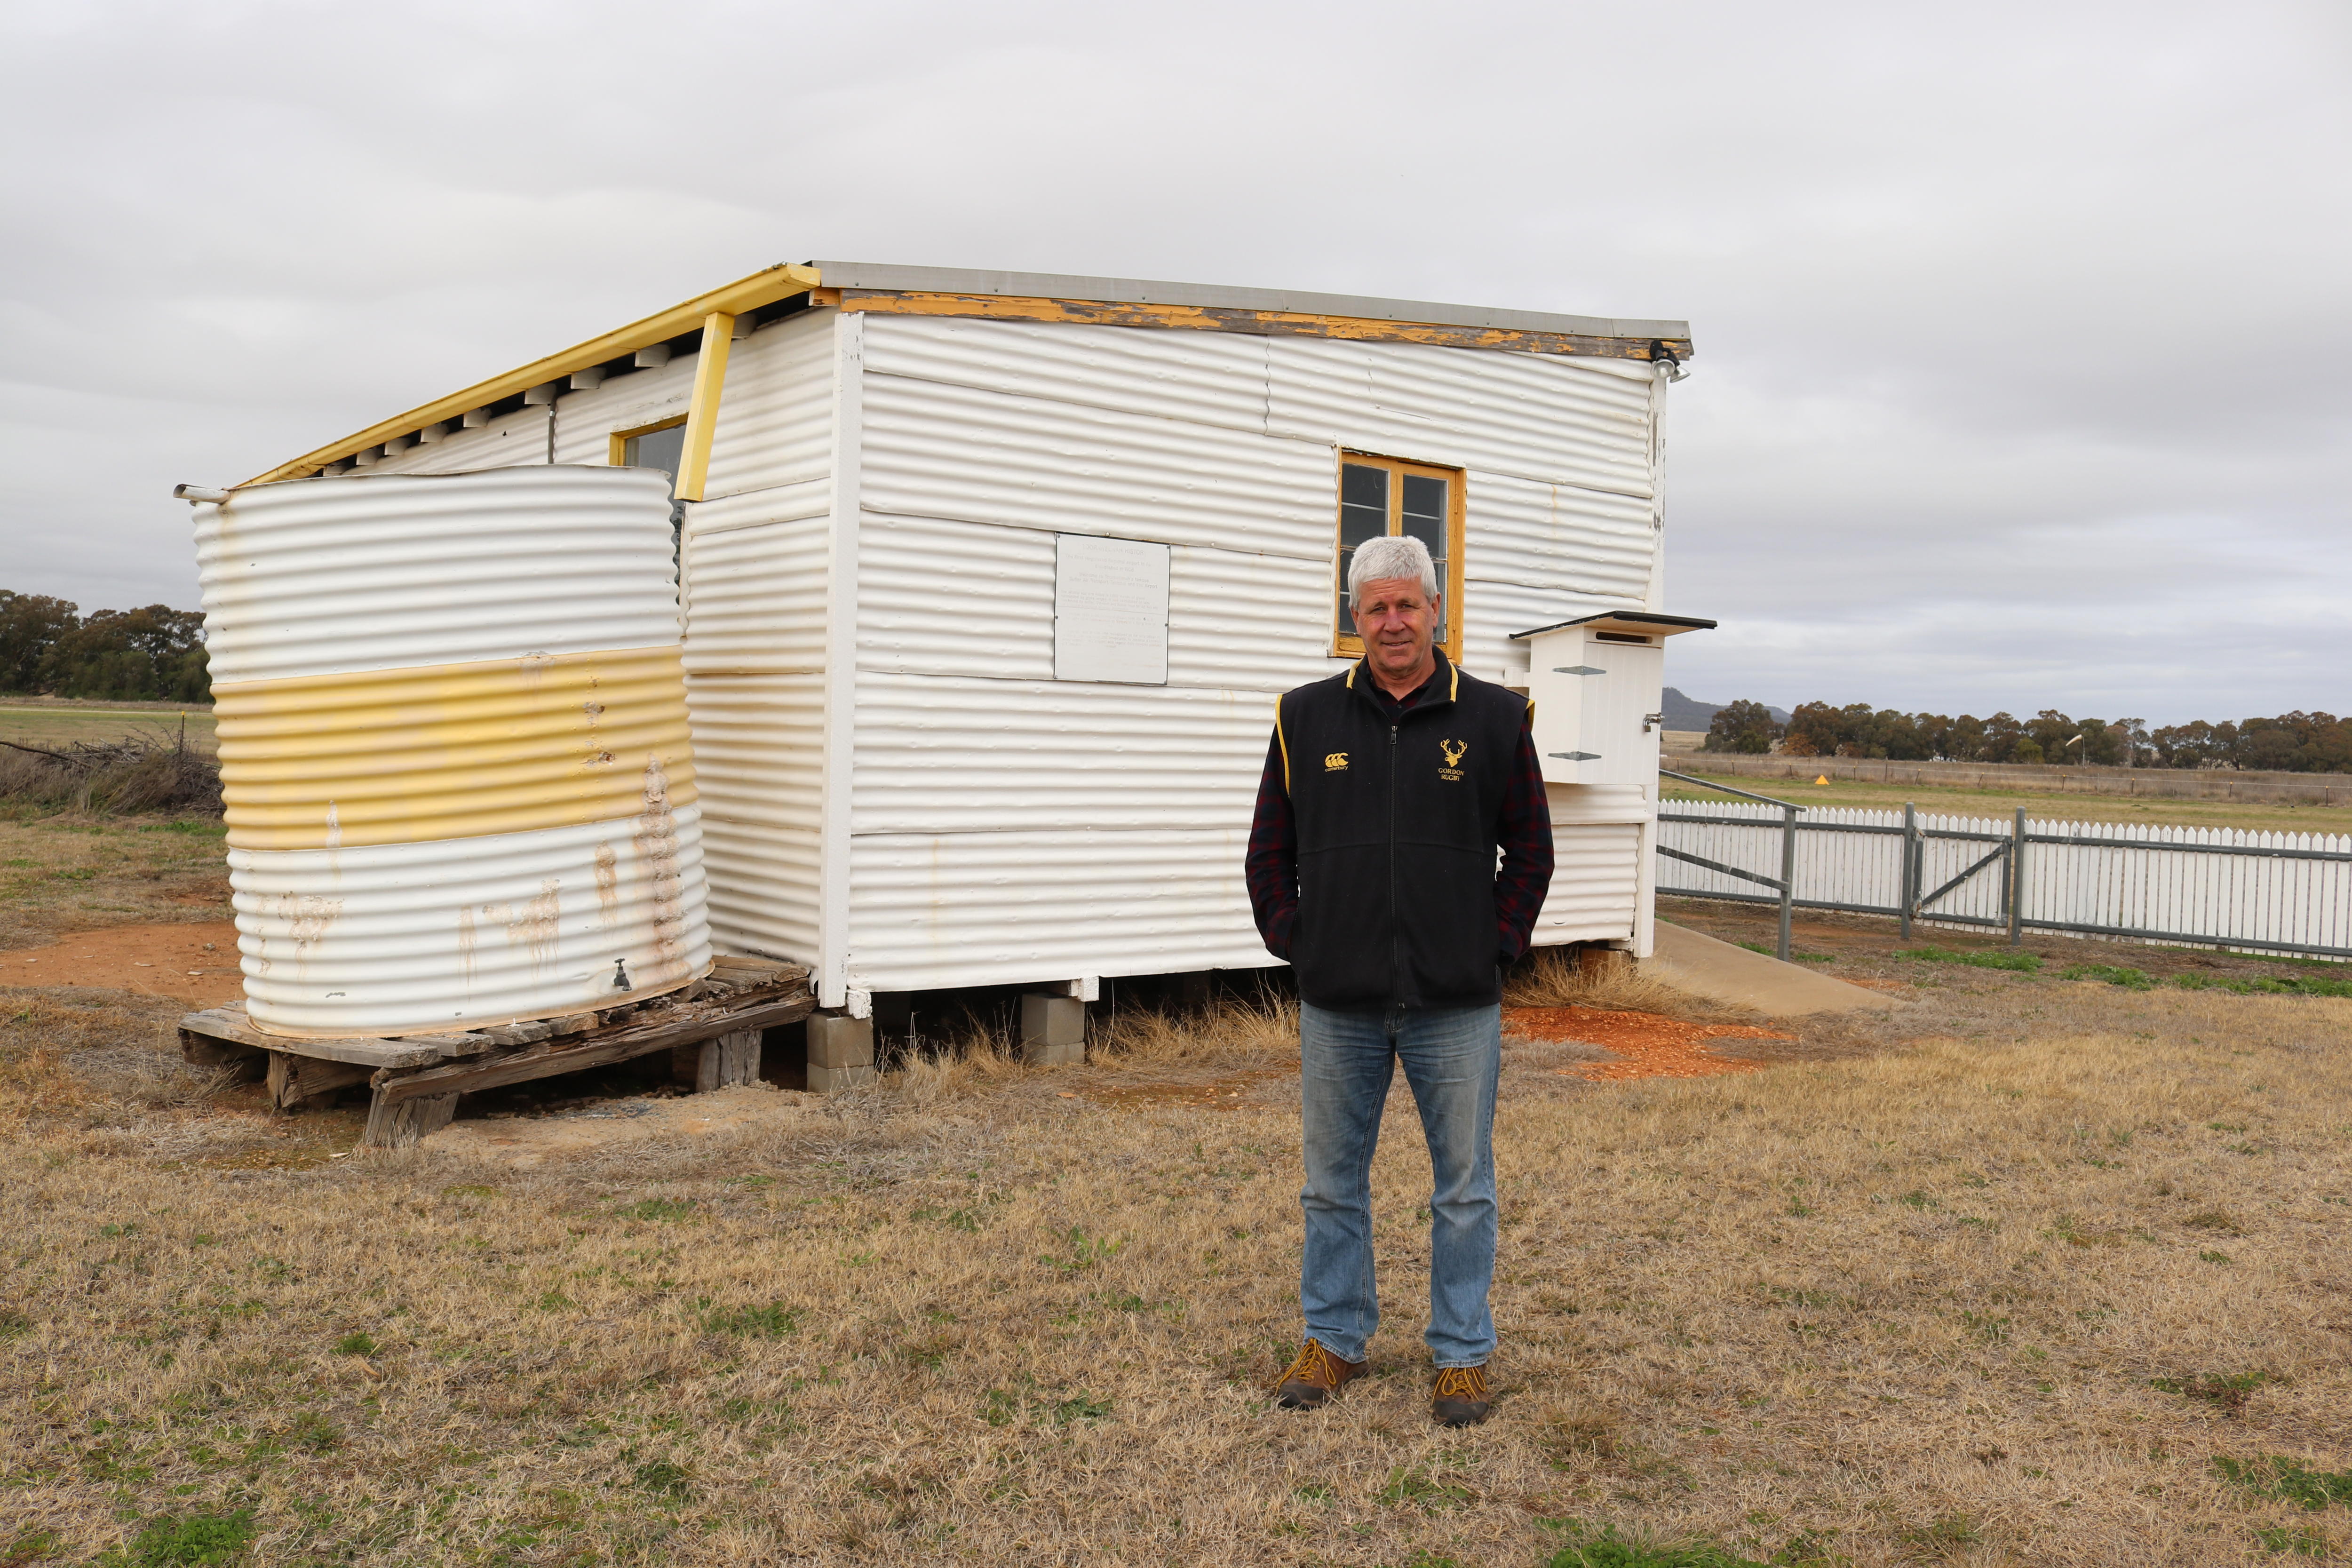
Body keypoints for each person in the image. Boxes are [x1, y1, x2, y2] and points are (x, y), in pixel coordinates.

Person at [1244, 533, 1554, 1428]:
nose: (1392, 622)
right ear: (1354, 619)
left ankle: (1461, 1355)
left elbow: (1530, 851)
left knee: (1464, 1186)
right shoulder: (1303, 718)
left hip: (1456, 1004)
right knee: (1331, 1183)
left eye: (1407, 604)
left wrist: (1491, 945)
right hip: (1337, 1002)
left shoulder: (1496, 718)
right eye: (1375, 607)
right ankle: (1334, 1339)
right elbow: (1270, 852)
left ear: (1437, 610)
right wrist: (1301, 943)